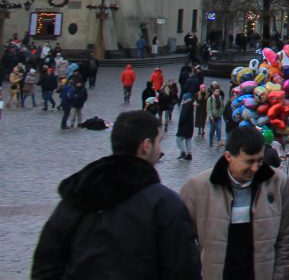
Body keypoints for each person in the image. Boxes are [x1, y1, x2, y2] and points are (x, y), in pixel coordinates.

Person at [31, 109, 202, 279]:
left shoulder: (78, 193)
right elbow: (183, 271)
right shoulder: (165, 204)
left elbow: (46, 262)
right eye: (159, 142)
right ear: (146, 146)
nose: (160, 149)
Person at [180, 125, 289, 280]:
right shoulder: (197, 188)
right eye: (249, 162)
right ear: (228, 157)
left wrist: (280, 276)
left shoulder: (279, 183)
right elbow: (181, 242)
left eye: (259, 160)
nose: (255, 168)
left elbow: (288, 236)